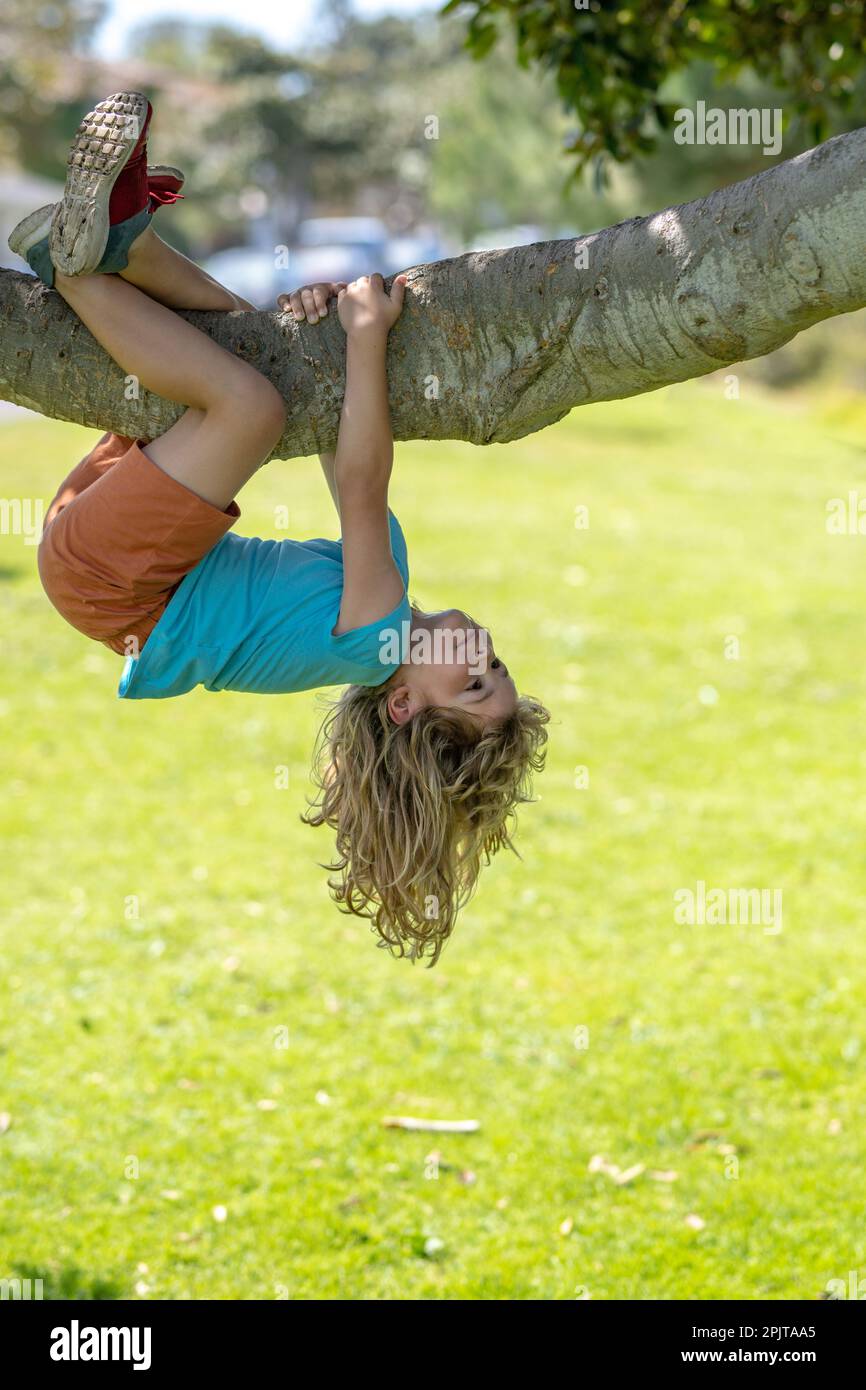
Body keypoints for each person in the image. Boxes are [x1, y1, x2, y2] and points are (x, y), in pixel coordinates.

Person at [9, 91, 549, 964]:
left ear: (406, 704)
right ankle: (121, 241)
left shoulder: (376, 634)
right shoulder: (375, 625)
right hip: (121, 563)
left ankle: (72, 273)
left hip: (115, 577)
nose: (488, 656)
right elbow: (343, 447)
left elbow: (363, 483)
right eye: (502, 672)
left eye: (475, 683)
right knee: (258, 361)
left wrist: (367, 338)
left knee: (249, 406)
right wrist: (320, 340)